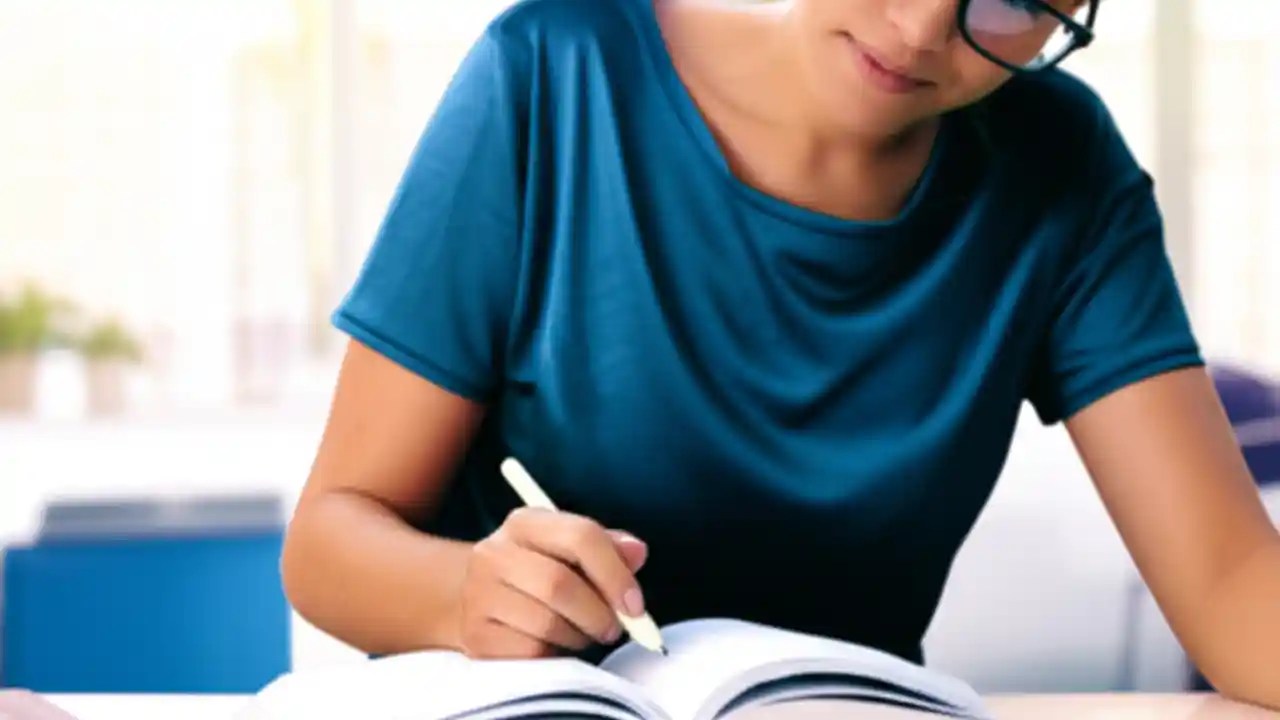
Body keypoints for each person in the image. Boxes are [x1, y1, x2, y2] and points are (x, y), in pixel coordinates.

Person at [280, 0, 1280, 708]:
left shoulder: (1060, 170)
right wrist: (467, 595)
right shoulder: (550, 67)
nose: (922, 27)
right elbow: (327, 541)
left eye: (1016, 1)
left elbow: (1231, 583)